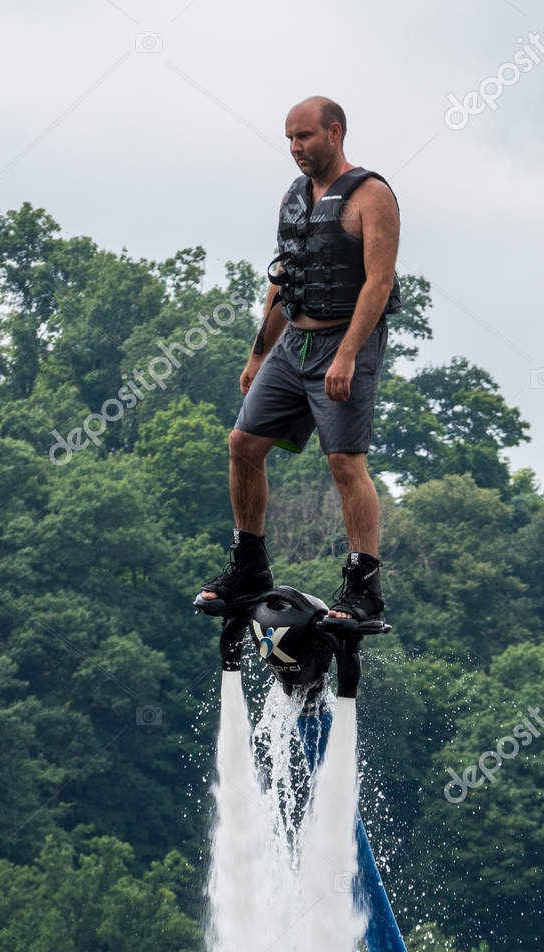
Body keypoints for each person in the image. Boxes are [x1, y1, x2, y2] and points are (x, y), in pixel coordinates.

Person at [198, 96, 401, 624]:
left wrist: (349, 355)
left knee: (344, 462)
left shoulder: (371, 195)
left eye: (305, 137)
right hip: (293, 345)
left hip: (345, 342)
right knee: (243, 443)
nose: (295, 148)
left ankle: (363, 591)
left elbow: (378, 284)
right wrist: (257, 354)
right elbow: (282, 279)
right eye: (289, 138)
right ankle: (249, 566)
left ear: (334, 133)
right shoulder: (294, 197)